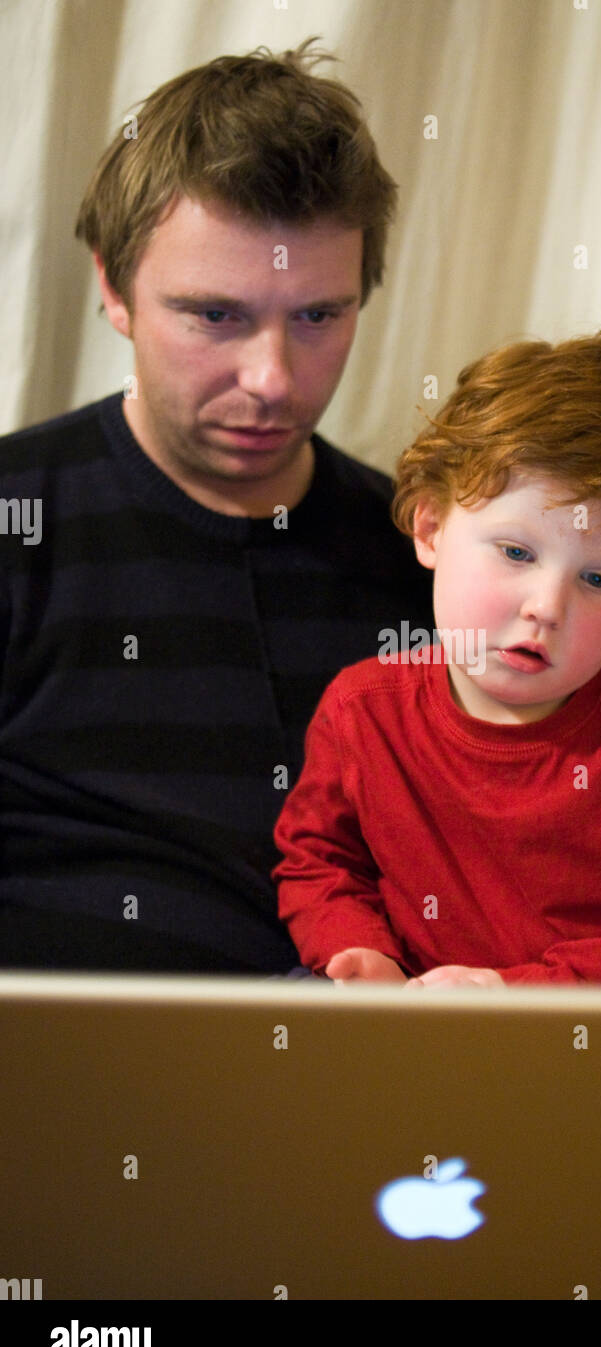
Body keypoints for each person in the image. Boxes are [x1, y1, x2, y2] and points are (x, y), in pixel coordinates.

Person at [0, 44, 432, 973]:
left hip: (354, 1088)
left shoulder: (431, 562)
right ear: (114, 287)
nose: (272, 381)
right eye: (216, 315)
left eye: (319, 316)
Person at [272, 328, 601, 987]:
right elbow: (319, 863)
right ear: (430, 528)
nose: (546, 607)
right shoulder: (362, 709)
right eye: (516, 552)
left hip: (588, 1044)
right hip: (404, 1030)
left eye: (597, 580)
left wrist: (520, 995)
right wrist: (359, 950)